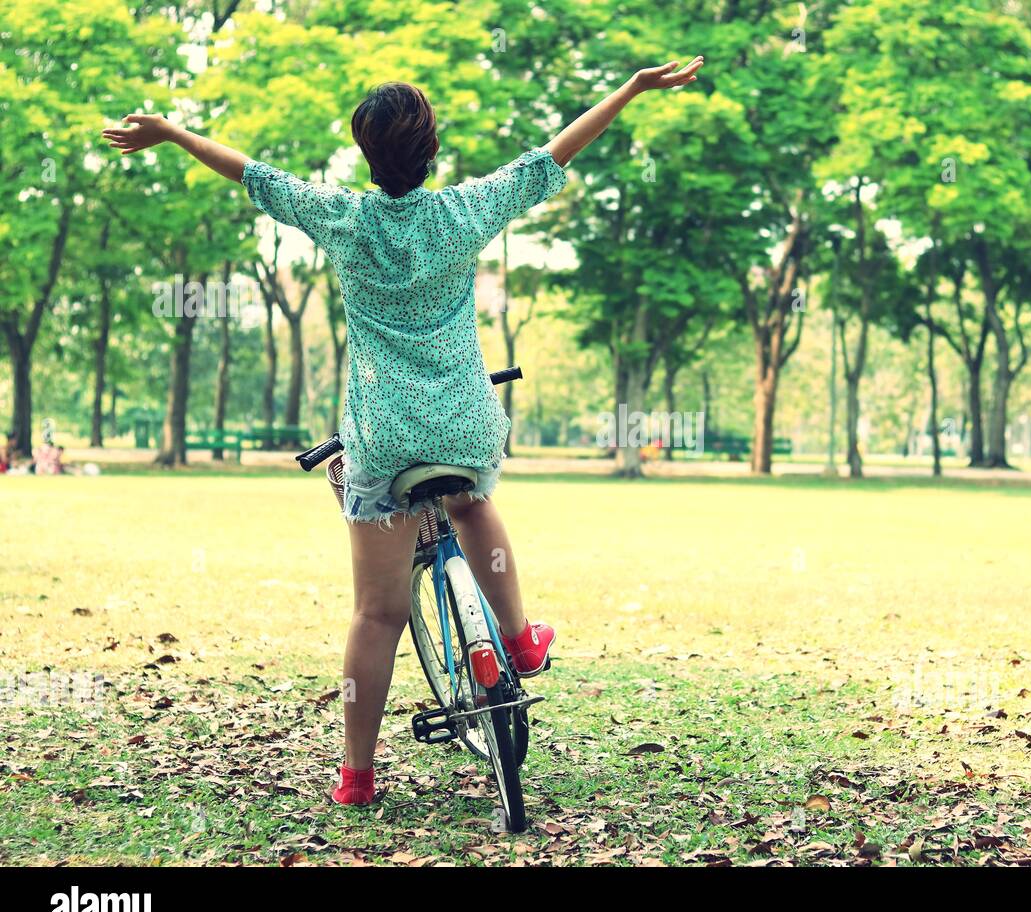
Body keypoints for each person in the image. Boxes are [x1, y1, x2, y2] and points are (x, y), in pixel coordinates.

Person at [103, 55, 704, 806]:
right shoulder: (463, 213)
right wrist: (632, 87)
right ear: (432, 153)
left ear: (367, 155)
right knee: (474, 502)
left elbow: (252, 173)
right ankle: (516, 638)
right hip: (461, 421)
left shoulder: (344, 219)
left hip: (381, 436)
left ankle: (356, 777)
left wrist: (171, 131)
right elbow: (552, 156)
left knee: (377, 612)